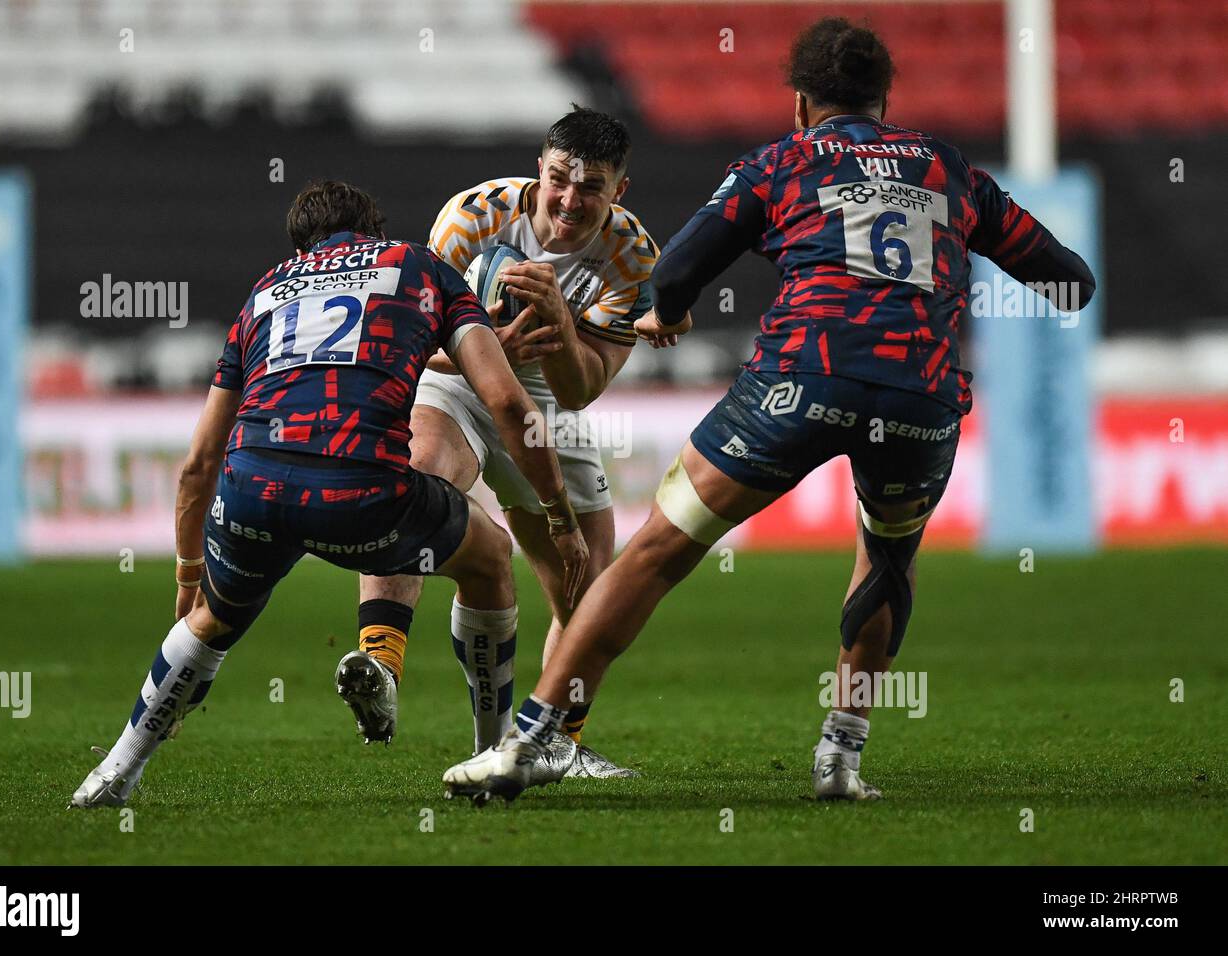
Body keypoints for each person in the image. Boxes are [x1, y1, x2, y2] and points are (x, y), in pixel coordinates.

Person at [442, 17, 1096, 803]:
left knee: (657, 551)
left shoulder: (781, 163)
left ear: (799, 105)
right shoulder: (947, 169)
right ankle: (841, 758)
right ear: (884, 103)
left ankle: (532, 740)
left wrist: (664, 312)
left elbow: (677, 272)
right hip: (920, 393)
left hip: (801, 380)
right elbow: (1069, 280)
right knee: (887, 558)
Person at [69, 180, 586, 808]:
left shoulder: (263, 293)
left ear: (300, 247)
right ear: (372, 227)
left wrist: (188, 575)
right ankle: (492, 756)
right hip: (362, 491)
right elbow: (507, 401)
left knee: (210, 621)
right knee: (489, 558)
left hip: (252, 487)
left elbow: (198, 463)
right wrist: (558, 511)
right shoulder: (419, 266)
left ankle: (116, 773)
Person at [344, 107, 672, 780]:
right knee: (419, 478)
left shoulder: (632, 254)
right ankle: (379, 664)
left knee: (588, 583)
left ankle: (555, 741)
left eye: (591, 188)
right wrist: (485, 352)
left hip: (551, 399)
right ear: (540, 169)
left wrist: (555, 318)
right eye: (558, 179)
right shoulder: (473, 218)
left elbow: (582, 389)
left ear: (620, 192)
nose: (569, 200)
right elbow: (410, 344)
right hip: (457, 381)